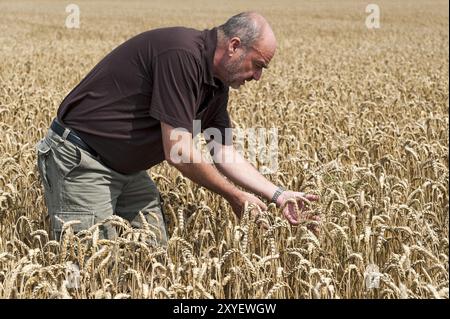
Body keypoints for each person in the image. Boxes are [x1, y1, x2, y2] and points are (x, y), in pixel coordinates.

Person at [36, 12, 319, 246]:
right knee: (90, 266)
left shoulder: (216, 85)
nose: (257, 77)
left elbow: (222, 152)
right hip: (83, 161)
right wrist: (234, 195)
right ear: (234, 46)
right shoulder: (181, 55)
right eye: (258, 65)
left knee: (152, 251)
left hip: (127, 171)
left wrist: (278, 195)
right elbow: (179, 150)